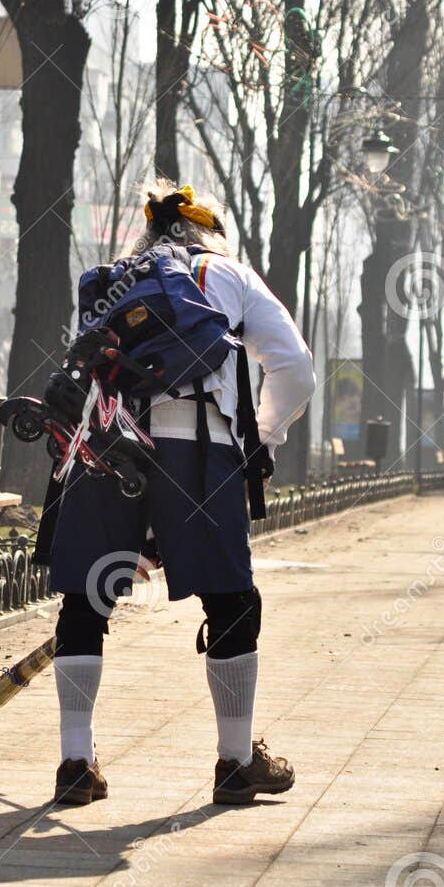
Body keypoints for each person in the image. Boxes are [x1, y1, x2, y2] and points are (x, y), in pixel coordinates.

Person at [46, 180, 316, 807]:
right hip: (199, 453)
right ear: (204, 234)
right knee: (231, 601)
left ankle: (75, 764)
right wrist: (264, 438)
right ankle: (236, 762)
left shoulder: (114, 280)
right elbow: (296, 369)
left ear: (149, 234)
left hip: (106, 446)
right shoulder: (228, 275)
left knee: (86, 598)